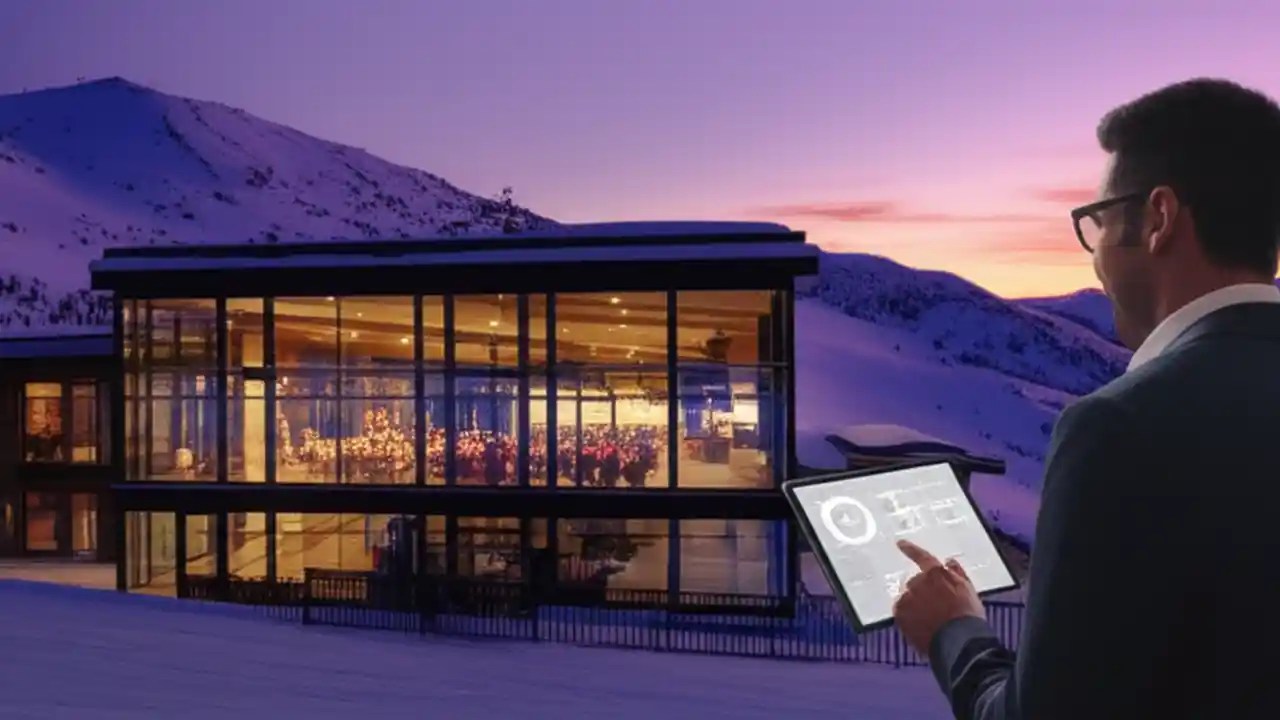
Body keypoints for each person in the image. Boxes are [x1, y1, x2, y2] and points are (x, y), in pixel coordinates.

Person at [891, 78, 1280, 719]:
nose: (1093, 256)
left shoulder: (1121, 430)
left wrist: (953, 631)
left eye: (1097, 222)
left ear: (1159, 219)